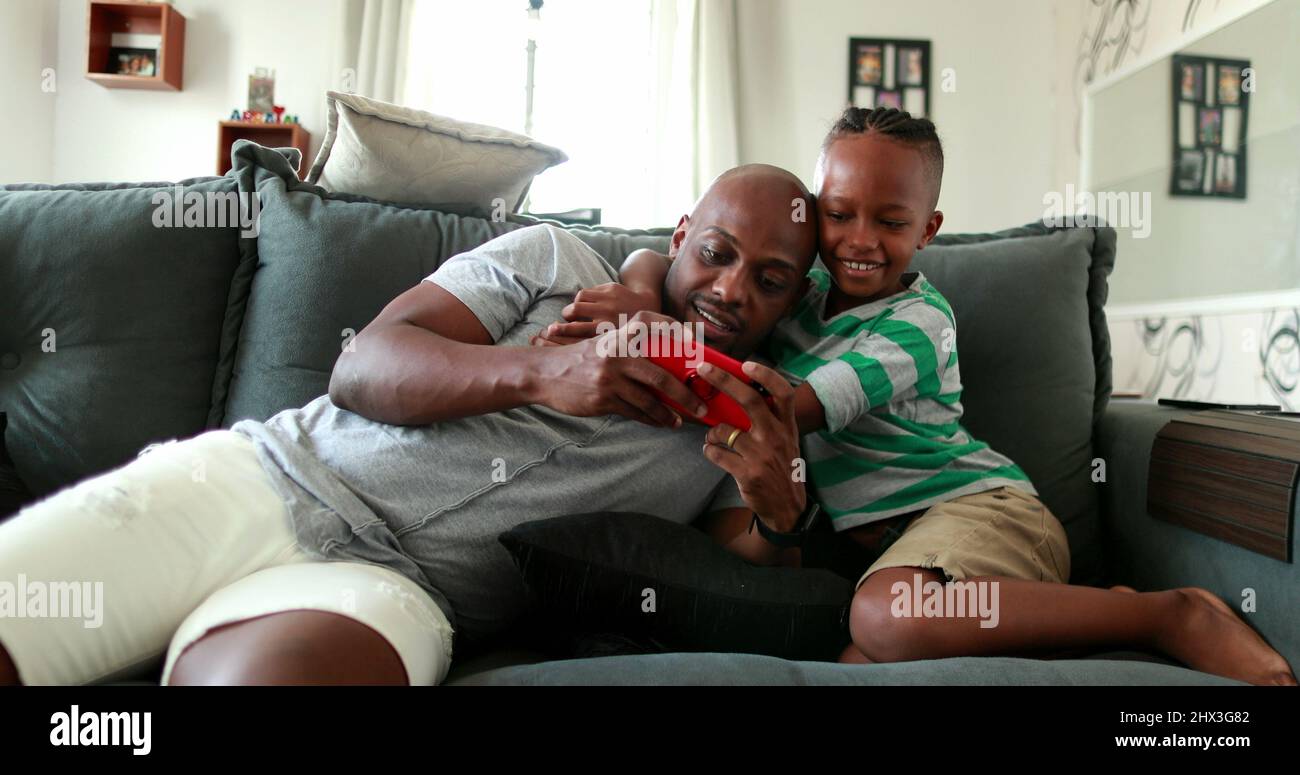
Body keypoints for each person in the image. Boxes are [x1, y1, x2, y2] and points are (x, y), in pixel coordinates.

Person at [534, 107, 1297, 686]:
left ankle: (1163, 611)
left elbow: (784, 405)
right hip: (909, 553)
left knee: (880, 614)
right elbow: (646, 255)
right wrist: (638, 288)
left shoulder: (918, 324)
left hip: (983, 511)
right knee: (858, 659)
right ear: (812, 216)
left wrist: (649, 337)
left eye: (890, 221)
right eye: (838, 215)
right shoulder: (796, 293)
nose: (861, 239)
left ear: (928, 228)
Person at [0, 164, 818, 686]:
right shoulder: (555, 260)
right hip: (265, 475)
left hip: (393, 588)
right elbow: (363, 367)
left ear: (791, 301)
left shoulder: (749, 414)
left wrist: (780, 511)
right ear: (679, 237)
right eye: (716, 252)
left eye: (770, 279)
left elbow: (717, 569)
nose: (732, 289)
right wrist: (542, 371)